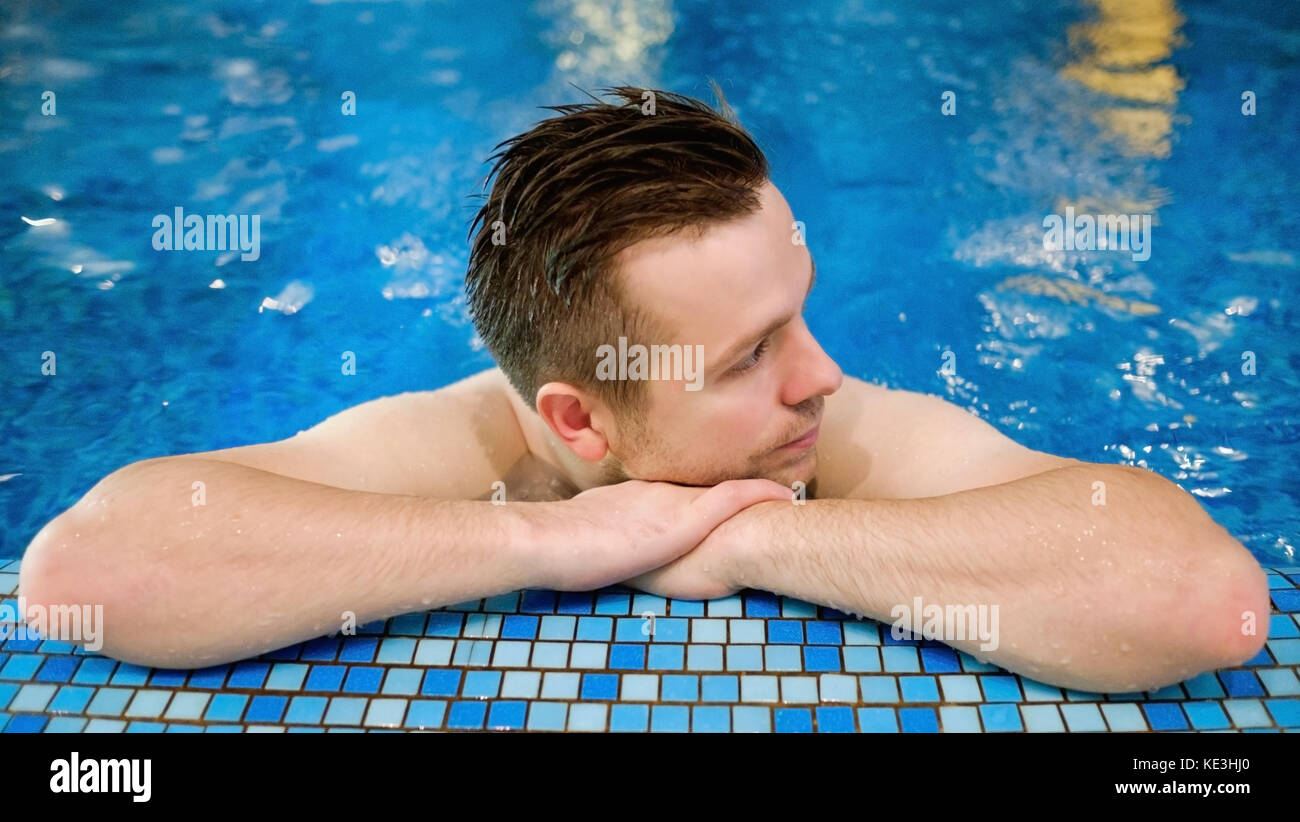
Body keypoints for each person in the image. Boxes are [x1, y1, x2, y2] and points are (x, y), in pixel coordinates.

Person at [19, 85, 1268, 693]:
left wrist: (758, 548)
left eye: (800, 314)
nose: (822, 376)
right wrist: (551, 539)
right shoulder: (459, 444)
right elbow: (86, 580)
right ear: (576, 418)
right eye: (747, 358)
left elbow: (1199, 603)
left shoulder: (848, 434)